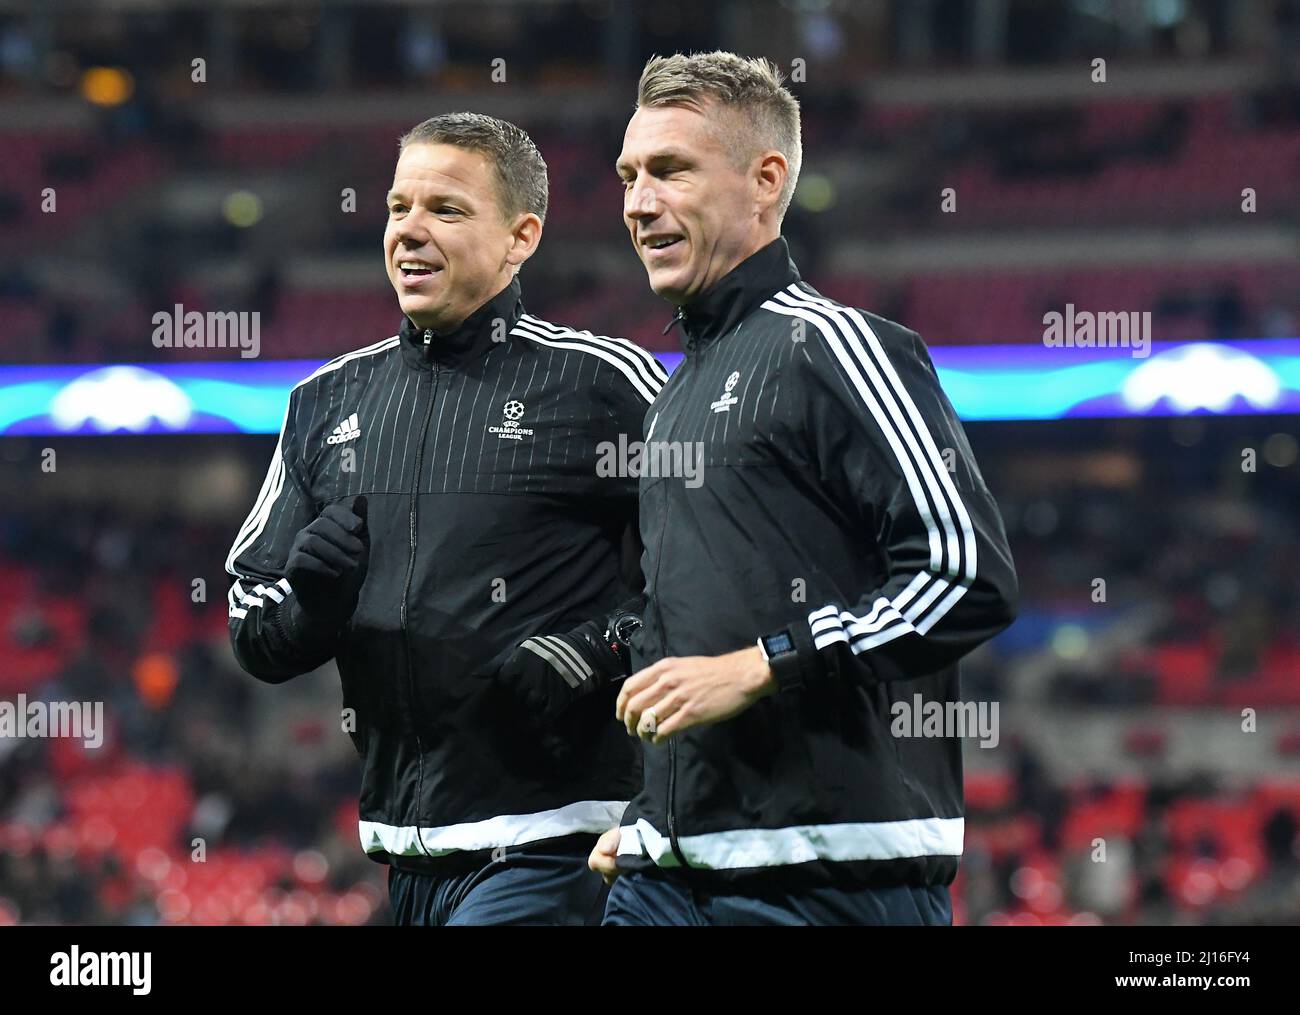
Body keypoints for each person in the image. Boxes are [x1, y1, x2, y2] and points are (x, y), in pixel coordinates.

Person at [589, 52, 1019, 925]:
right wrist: (655, 813)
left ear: (765, 181)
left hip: (833, 882)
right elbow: (692, 635)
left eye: (671, 170)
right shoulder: (673, 394)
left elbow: (968, 575)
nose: (639, 202)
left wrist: (769, 661)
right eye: (630, 176)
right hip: (667, 876)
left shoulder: (837, 347)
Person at [226, 112, 665, 925]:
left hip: (561, 845)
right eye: (399, 207)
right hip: (405, 861)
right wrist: (311, 605)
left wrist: (600, 645)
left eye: (446, 209)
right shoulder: (324, 402)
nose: (410, 230)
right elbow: (252, 625)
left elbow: (714, 571)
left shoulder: (604, 384)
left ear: (521, 237)